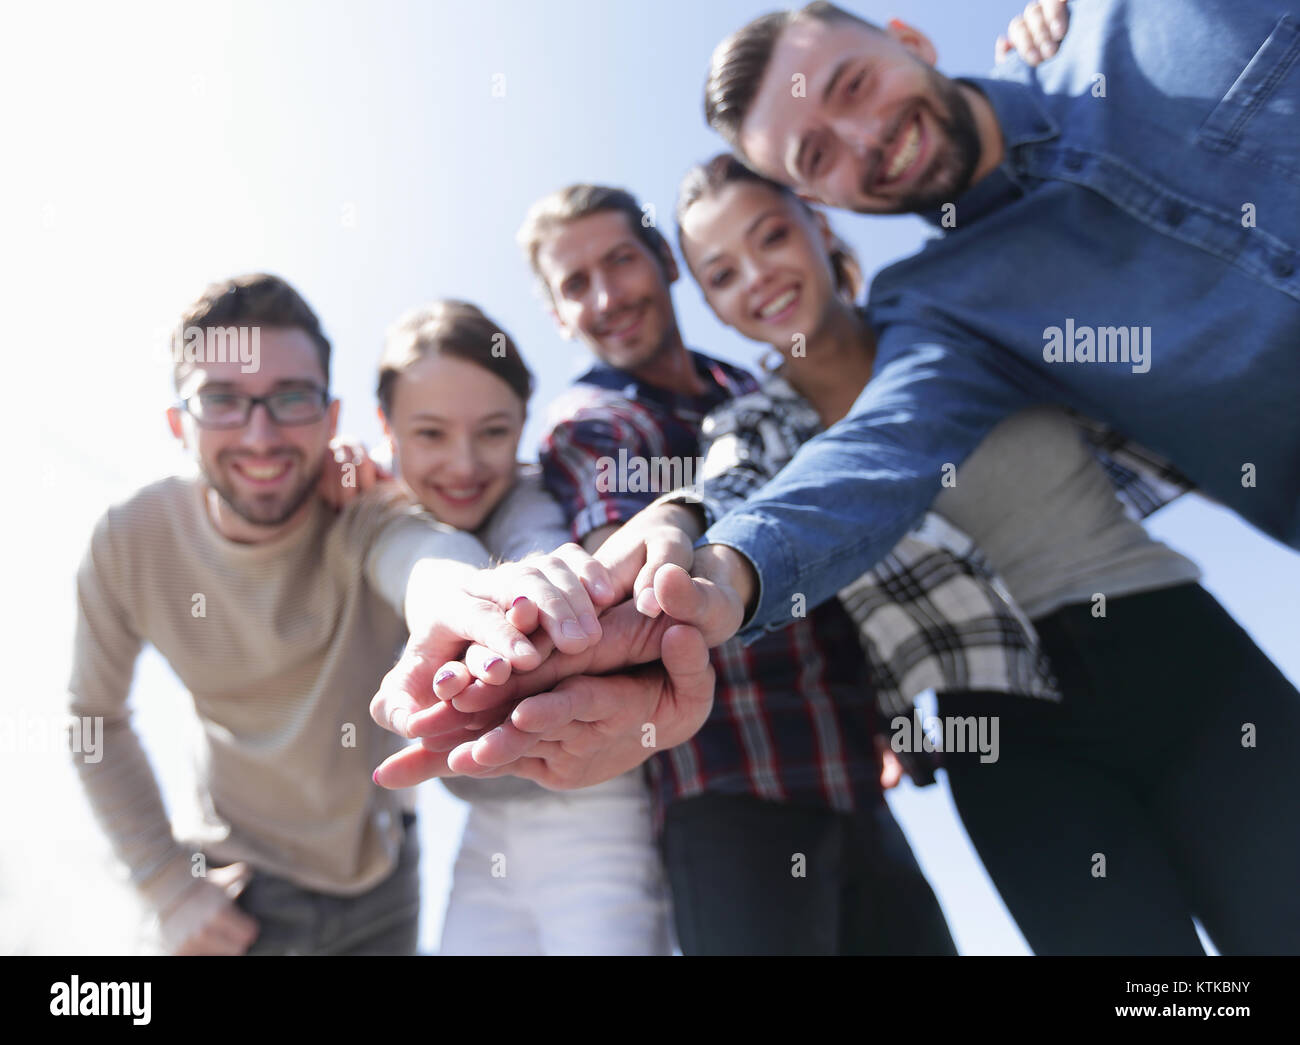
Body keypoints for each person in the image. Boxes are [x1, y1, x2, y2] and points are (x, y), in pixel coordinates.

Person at [637, 153, 1297, 954]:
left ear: (820, 223)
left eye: (771, 235)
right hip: (1000, 736)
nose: (757, 277)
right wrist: (675, 524)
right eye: (721, 274)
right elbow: (726, 496)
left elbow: (1151, 341)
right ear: (710, 303)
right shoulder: (754, 425)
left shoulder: (958, 310)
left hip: (1178, 656)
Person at [686, 0, 1300, 638]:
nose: (866, 139)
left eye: (855, 85)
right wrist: (722, 571)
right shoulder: (945, 309)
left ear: (912, 41)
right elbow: (879, 450)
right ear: (817, 197)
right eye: (816, 155)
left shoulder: (1142, 15)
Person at [66, 273, 608, 956]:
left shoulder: (362, 508)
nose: (260, 434)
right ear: (180, 423)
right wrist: (165, 884)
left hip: (384, 884)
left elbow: (424, 558)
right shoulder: (130, 541)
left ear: (330, 418)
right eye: (222, 400)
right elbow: (92, 717)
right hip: (233, 891)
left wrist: (471, 598)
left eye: (291, 398)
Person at [374, 299, 671, 955]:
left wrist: (533, 583)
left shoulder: (532, 499)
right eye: (430, 435)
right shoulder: (378, 507)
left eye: (493, 432)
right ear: (386, 428)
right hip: (486, 824)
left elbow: (535, 547)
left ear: (522, 426)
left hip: (597, 812)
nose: (463, 464)